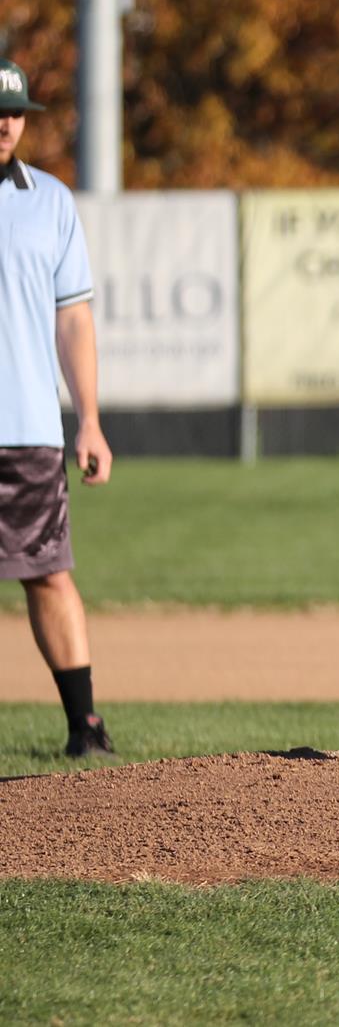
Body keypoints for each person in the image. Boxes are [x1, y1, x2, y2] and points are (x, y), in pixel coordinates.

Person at [0, 58, 115, 759]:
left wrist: (90, 418)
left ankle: (86, 725)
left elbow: (73, 318)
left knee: (47, 570)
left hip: (27, 428)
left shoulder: (49, 199)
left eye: (14, 111)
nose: (6, 123)